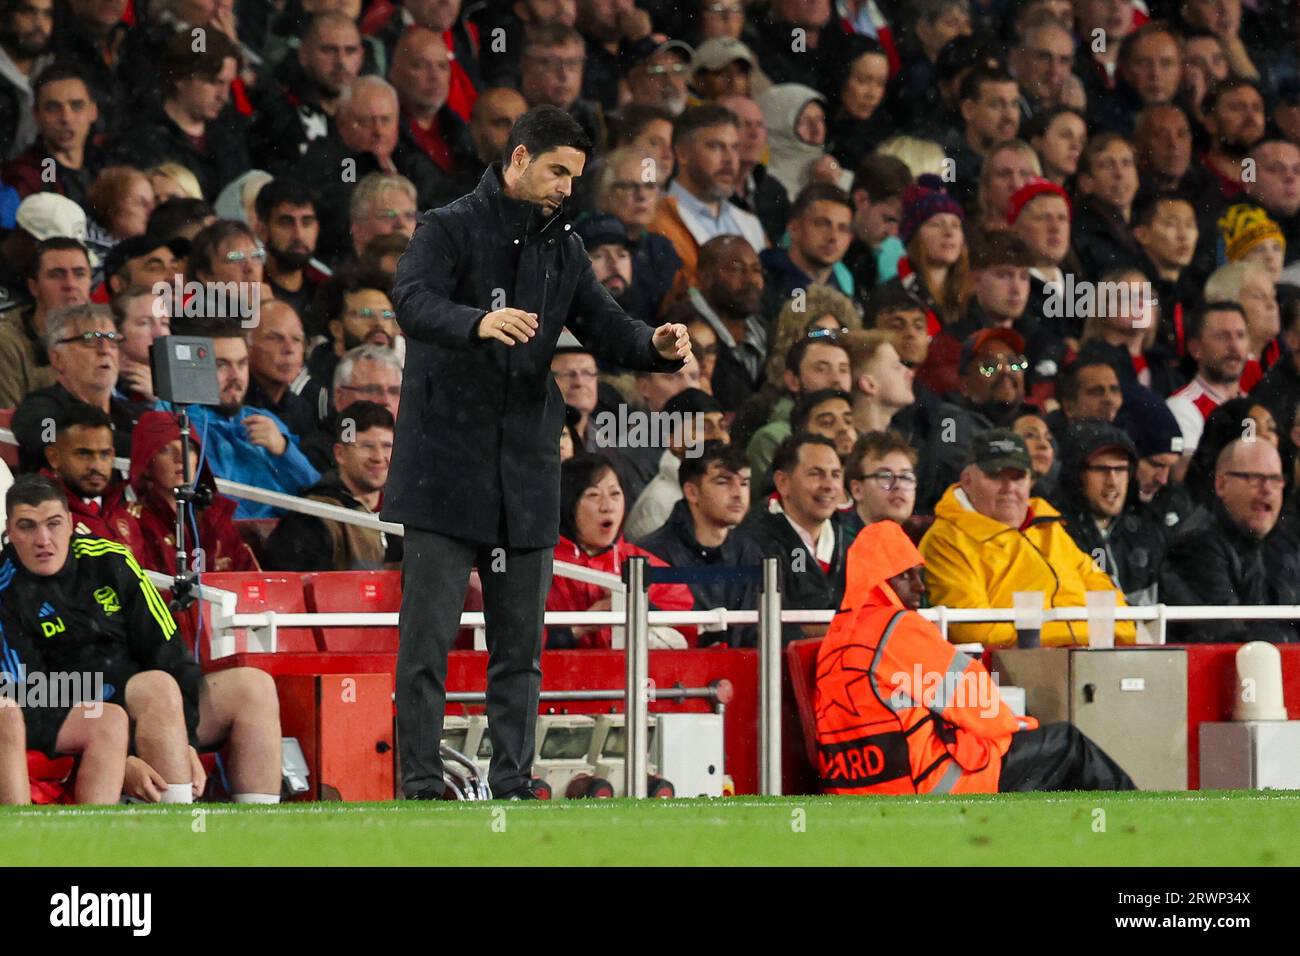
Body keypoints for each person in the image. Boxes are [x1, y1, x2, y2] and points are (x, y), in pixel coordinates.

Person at [384, 107, 691, 801]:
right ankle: (422, 785)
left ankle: (514, 784)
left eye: (575, 177)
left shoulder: (564, 245)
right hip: (442, 468)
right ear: (518, 159)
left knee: (520, 651)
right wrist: (477, 322)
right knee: (425, 645)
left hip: (524, 470)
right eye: (557, 171)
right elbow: (410, 301)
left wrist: (653, 348)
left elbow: (603, 324)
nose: (565, 187)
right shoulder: (448, 226)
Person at [0, 474, 281, 804]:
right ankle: (177, 833)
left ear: (72, 523)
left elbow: (168, 649)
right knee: (155, 687)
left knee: (253, 687)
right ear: (10, 531)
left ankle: (260, 828)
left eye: (53, 524)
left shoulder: (109, 559)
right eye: (27, 526)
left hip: (160, 714)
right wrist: (121, 752)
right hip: (88, 715)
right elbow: (29, 700)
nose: (43, 539)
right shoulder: (7, 588)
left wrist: (185, 739)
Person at [814, 518, 1135, 795]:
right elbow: (973, 696)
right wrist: (1016, 725)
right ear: (878, 582)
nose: (919, 587)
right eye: (905, 576)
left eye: (919, 575)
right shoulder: (896, 627)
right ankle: (1134, 827)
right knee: (1067, 744)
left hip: (859, 788)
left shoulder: (837, 635)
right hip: (932, 784)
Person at [919, 428, 1135, 646]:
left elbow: (1113, 603)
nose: (1009, 488)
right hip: (1010, 671)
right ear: (967, 481)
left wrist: (1110, 637)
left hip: (1086, 657)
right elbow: (973, 632)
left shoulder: (1049, 526)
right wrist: (1074, 635)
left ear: (1031, 481)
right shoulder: (945, 540)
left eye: (1018, 477)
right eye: (995, 476)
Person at [545, 454, 695, 650]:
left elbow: (689, 635)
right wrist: (577, 629)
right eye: (593, 495)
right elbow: (512, 642)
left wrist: (639, 606)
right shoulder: (538, 568)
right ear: (567, 504)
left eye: (615, 494)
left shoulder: (647, 566)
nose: (607, 506)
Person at [1161, 438, 1299, 643]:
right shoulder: (1196, 544)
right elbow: (1227, 635)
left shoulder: (1284, 543)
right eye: (1255, 478)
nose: (1267, 489)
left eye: (1275, 479)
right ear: (1221, 484)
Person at [183, 327, 321, 519]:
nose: (235, 376)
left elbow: (319, 495)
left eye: (242, 364)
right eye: (221, 365)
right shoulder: (182, 423)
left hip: (290, 536)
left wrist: (284, 450)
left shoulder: (266, 421)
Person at [639, 440, 762, 647]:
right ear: (692, 492)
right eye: (723, 482)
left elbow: (757, 636)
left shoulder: (750, 553)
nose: (737, 493)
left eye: (744, 483)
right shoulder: (651, 554)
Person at [262, 401, 402, 572]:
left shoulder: (403, 515)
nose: (378, 457)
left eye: (387, 446)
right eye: (367, 446)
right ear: (340, 453)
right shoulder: (312, 517)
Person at [737, 433, 852, 640]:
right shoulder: (750, 542)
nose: (828, 485)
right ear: (783, 483)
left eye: (835, 475)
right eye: (815, 474)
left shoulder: (851, 540)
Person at [12, 303, 145, 471]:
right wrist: (141, 446)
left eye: (112, 339)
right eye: (90, 339)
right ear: (57, 358)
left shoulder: (133, 416)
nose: (105, 350)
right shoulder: (40, 408)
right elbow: (46, 434)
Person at [126, 409, 259, 577]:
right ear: (146, 462)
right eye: (166, 449)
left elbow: (252, 580)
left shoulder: (217, 517)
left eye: (189, 447)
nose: (181, 458)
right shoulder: (131, 522)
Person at [1053, 420, 1166, 605]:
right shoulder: (1056, 535)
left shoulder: (1148, 532)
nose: (1112, 481)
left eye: (1120, 469)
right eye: (1101, 469)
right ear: (1076, 475)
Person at [624, 388, 727, 542]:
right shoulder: (657, 506)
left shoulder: (731, 491)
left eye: (723, 427)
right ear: (674, 441)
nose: (720, 437)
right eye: (703, 428)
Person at [41, 403, 141, 551]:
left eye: (104, 454)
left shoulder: (125, 514)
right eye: (83, 454)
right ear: (54, 457)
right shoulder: (41, 515)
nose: (96, 466)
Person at [1166, 302, 1250, 455]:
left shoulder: (1253, 403)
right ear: (1195, 349)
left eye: (1240, 335)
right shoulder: (1182, 406)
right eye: (1222, 336)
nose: (1234, 345)